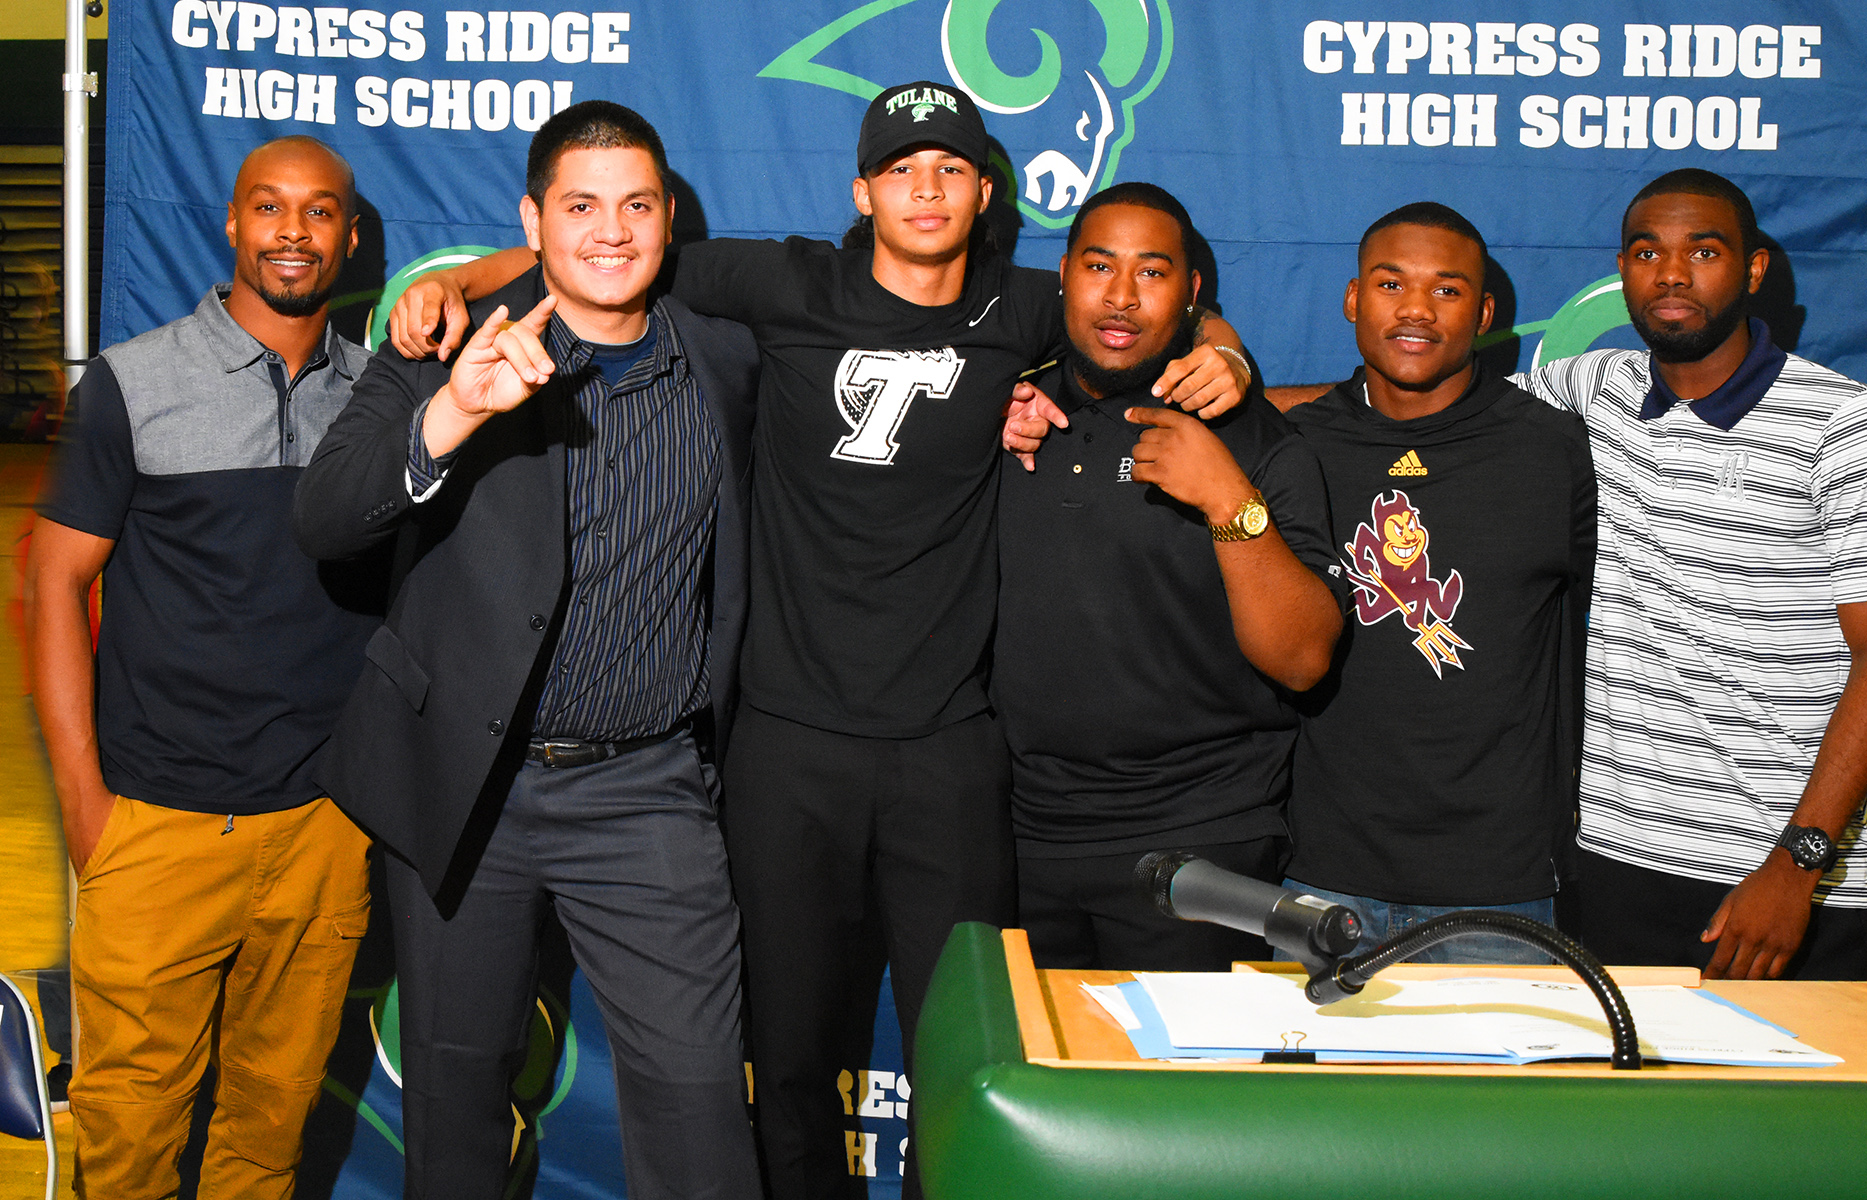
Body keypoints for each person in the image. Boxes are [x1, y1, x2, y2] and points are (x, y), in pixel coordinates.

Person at [388, 81, 1254, 1198]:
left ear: (985, 194)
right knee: (788, 1065)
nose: (926, 190)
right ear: (863, 191)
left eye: (949, 170)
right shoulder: (789, 282)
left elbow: (1146, 306)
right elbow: (596, 260)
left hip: (947, 749)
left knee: (968, 1059)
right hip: (786, 749)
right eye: (901, 170)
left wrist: (1221, 348)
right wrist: (451, 283)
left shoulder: (1027, 306)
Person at [292, 102, 762, 1199]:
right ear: (532, 219)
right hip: (465, 785)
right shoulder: (447, 342)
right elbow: (325, 518)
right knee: (453, 1102)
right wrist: (451, 415)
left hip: (647, 789)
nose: (610, 230)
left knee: (698, 1104)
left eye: (635, 205)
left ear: (668, 216)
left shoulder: (727, 355)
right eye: (580, 206)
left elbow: (901, 305)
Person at [24, 136, 378, 1199]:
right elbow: (49, 589)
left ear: (349, 237)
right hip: (158, 831)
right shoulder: (136, 383)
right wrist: (88, 808)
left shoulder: (377, 398)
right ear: (232, 225)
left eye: (319, 214)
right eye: (268, 208)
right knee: (129, 1143)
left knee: (268, 1133)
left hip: (320, 833)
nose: (292, 232)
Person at [1511, 168, 1867, 979]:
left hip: (1786, 883)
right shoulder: (1594, 389)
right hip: (1613, 863)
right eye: (1646, 252)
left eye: (1700, 251)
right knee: (1621, 1108)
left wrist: (1798, 864)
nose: (1670, 273)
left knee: (1794, 1110)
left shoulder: (1842, 425)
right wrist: (1232, 390)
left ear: (1751, 271)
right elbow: (1409, 414)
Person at [994, 183, 1346, 971]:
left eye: (1151, 273)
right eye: (1098, 267)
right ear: (1062, 277)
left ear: (1190, 295)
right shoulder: (1012, 411)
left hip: (1199, 845)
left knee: (1173, 1094)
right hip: (1017, 840)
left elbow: (1301, 659)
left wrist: (1227, 498)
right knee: (1032, 1090)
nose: (1120, 297)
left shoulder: (1257, 443)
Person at [1277, 202, 1595, 962]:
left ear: (1483, 312)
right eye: (1390, 284)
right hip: (1324, 876)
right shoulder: (1297, 443)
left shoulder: (1552, 450)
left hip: (1500, 884)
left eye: (1446, 291)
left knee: (1496, 1086)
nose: (1415, 309)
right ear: (1354, 299)